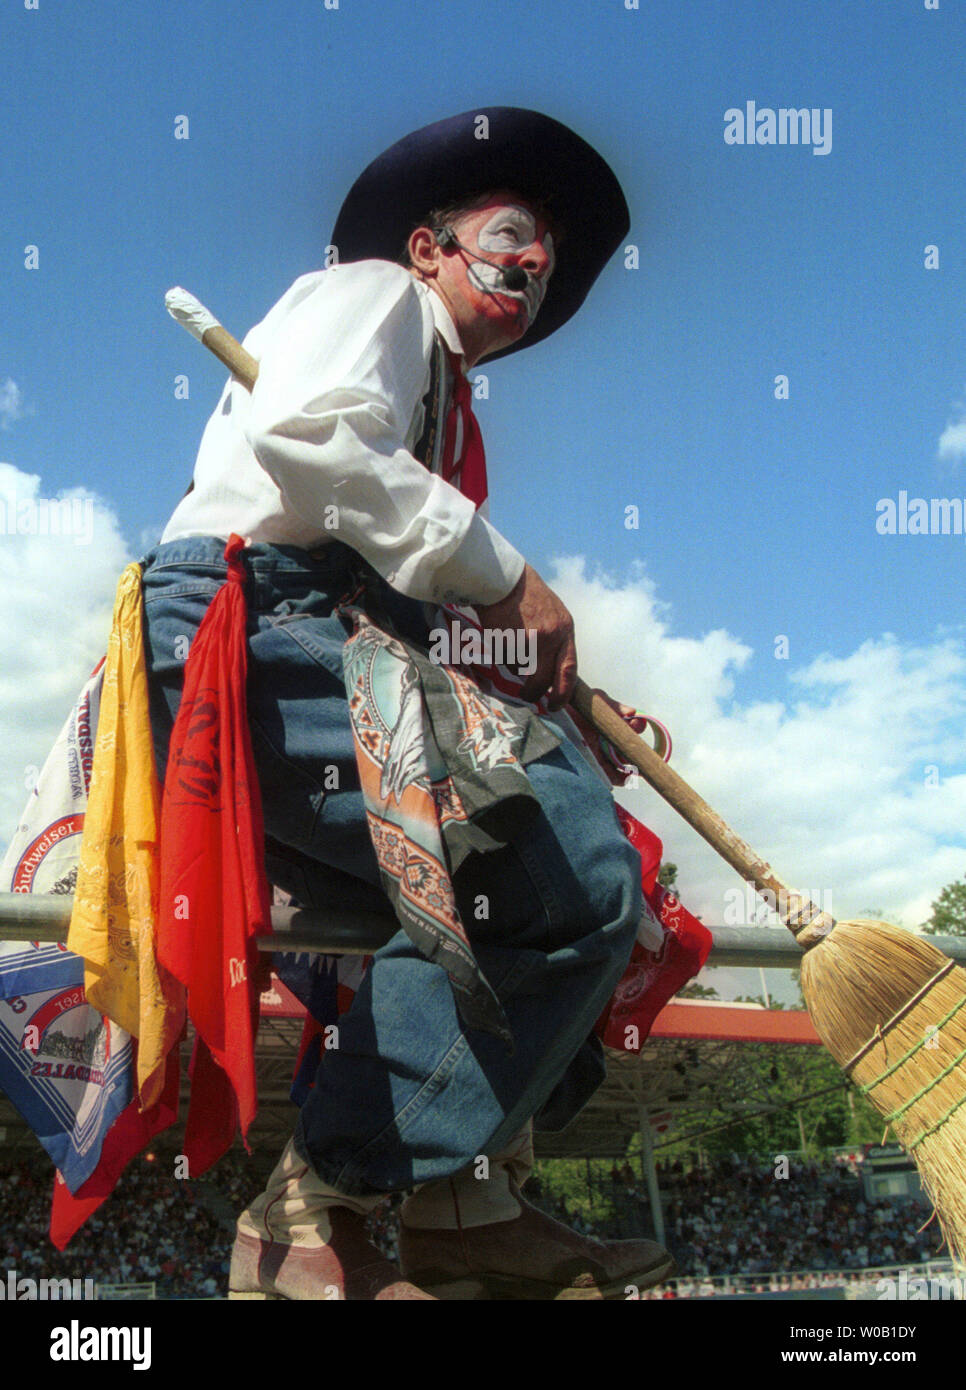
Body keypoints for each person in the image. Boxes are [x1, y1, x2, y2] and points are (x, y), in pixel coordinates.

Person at [140, 106, 673, 1300]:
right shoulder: (379, 294)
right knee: (565, 861)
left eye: (548, 264)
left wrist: (578, 710)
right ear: (430, 246)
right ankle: (313, 1196)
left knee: (565, 862)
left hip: (328, 637)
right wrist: (508, 576)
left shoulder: (443, 407)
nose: (533, 268)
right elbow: (307, 441)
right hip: (252, 626)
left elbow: (417, 610)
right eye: (513, 234)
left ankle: (454, 1200)